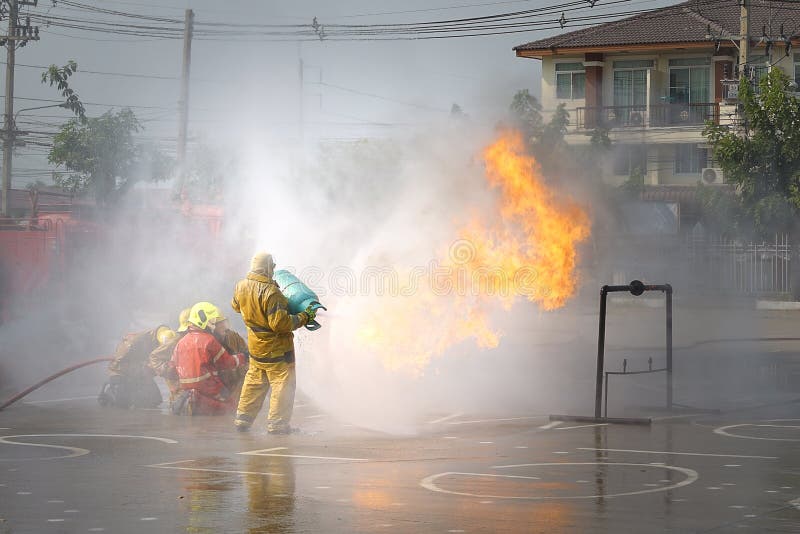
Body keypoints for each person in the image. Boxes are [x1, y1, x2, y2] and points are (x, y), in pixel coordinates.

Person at [232, 252, 315, 434]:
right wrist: (303, 317)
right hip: (277, 350)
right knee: (282, 385)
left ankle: (243, 419)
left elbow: (236, 306)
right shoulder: (271, 293)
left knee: (254, 381)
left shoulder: (241, 286)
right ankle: (277, 425)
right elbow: (280, 324)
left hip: (256, 346)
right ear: (267, 267)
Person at [170, 301, 247, 416]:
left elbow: (173, 365)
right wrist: (244, 357)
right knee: (230, 408)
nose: (214, 325)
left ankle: (190, 401)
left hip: (186, 388)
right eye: (212, 322)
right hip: (209, 386)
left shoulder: (181, 342)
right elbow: (227, 362)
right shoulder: (209, 340)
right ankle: (197, 400)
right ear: (202, 320)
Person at [99, 325, 177, 409]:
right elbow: (118, 361)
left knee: (153, 400)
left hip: (140, 373)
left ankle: (131, 394)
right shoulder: (134, 341)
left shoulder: (158, 342)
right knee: (122, 403)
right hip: (121, 373)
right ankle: (111, 391)